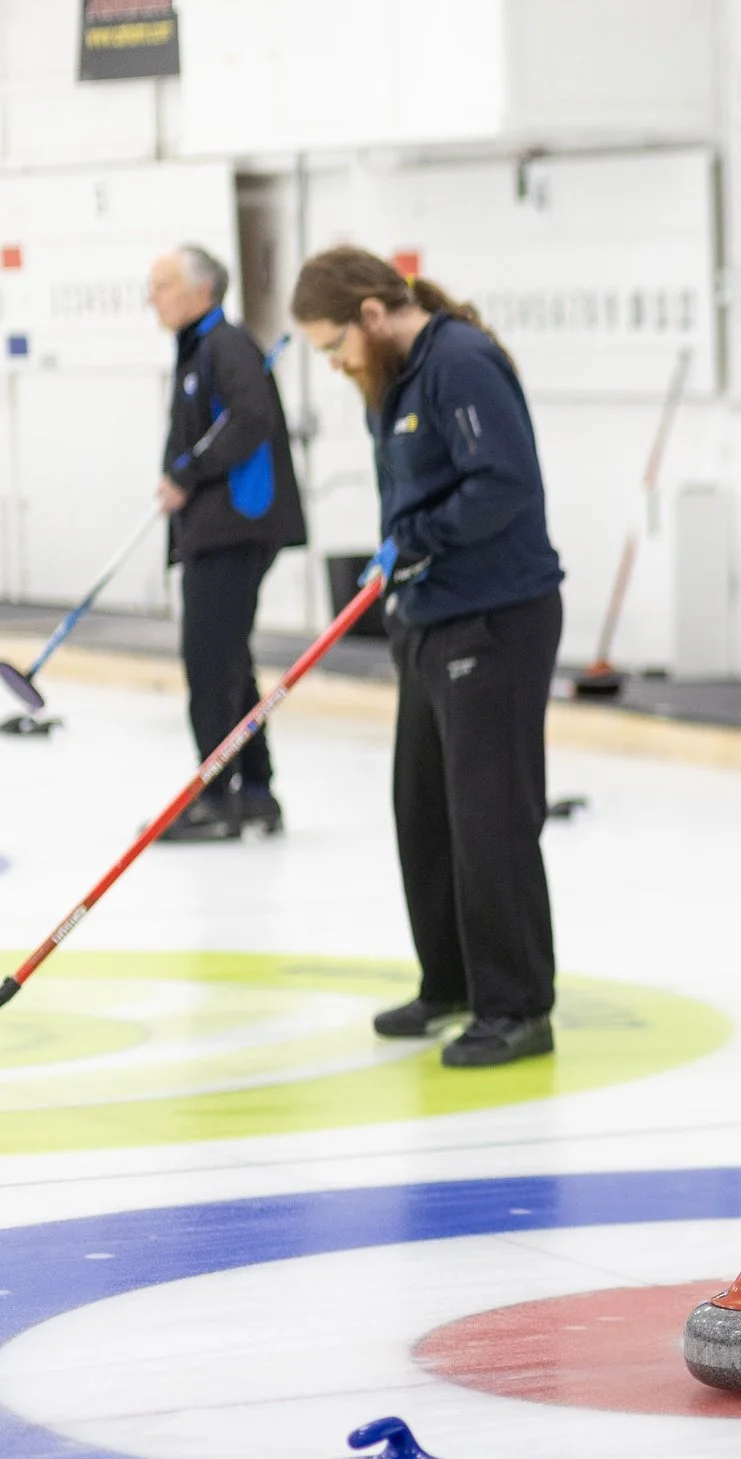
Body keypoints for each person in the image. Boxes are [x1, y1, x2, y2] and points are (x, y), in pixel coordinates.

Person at [289, 247, 564, 1069]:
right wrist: (394, 556)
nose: (335, 364)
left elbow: (502, 481)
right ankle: (449, 981)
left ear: (372, 316)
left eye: (335, 344)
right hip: (428, 617)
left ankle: (516, 1007)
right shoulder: (394, 380)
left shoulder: (461, 364)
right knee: (425, 812)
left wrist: (416, 541)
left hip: (494, 617)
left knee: (490, 820)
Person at [148, 244, 306, 842]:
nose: (152, 298)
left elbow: (251, 418)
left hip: (234, 528)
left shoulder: (225, 344)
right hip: (217, 532)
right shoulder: (200, 348)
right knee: (229, 662)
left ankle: (215, 797)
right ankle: (257, 791)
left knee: (209, 662)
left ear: (201, 290)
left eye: (162, 285)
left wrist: (187, 474)